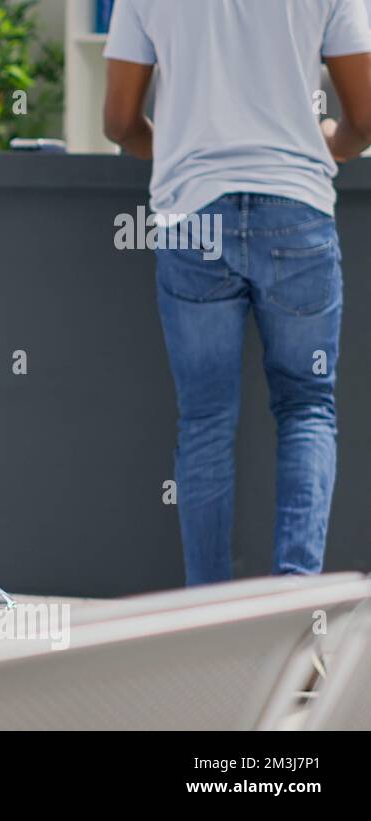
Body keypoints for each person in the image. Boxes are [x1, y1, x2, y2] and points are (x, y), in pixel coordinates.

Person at [102, 0, 371, 584]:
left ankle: (210, 624)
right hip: (296, 213)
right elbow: (366, 117)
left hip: (191, 217)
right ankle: (297, 616)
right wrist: (330, 144)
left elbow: (119, 123)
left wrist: (181, 148)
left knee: (203, 423)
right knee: (306, 409)